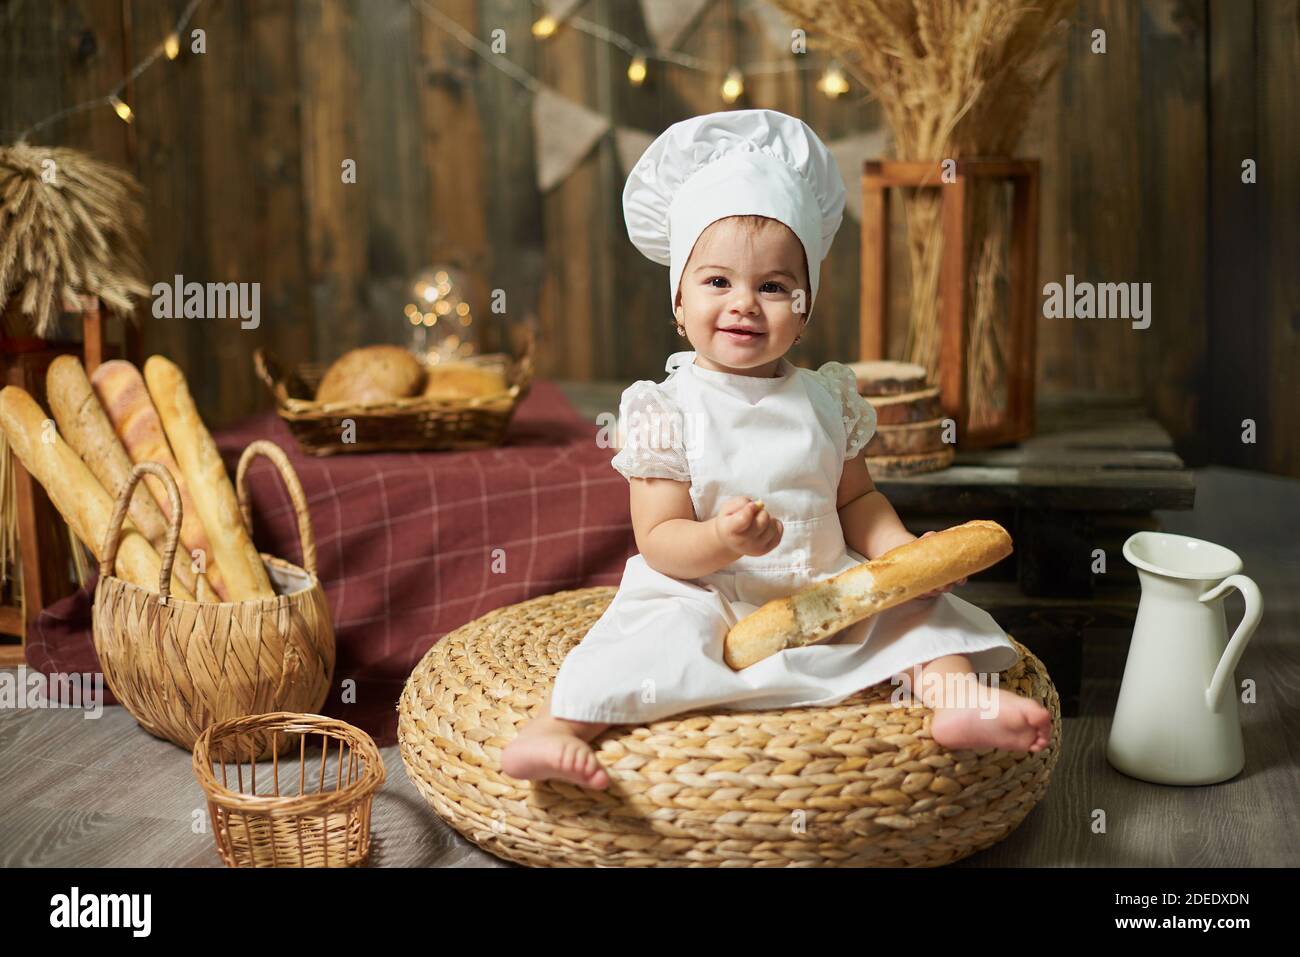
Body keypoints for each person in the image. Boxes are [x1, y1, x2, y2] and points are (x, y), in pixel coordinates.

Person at [502, 109, 1050, 791]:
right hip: (707, 591)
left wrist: (904, 553)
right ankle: (555, 728)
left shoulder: (828, 399)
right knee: (641, 639)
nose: (743, 304)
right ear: (678, 302)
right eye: (716, 282)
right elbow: (660, 538)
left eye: (772, 286)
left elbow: (857, 499)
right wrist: (722, 539)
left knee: (923, 613)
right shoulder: (667, 409)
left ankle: (957, 705)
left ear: (806, 308)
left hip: (824, 585)